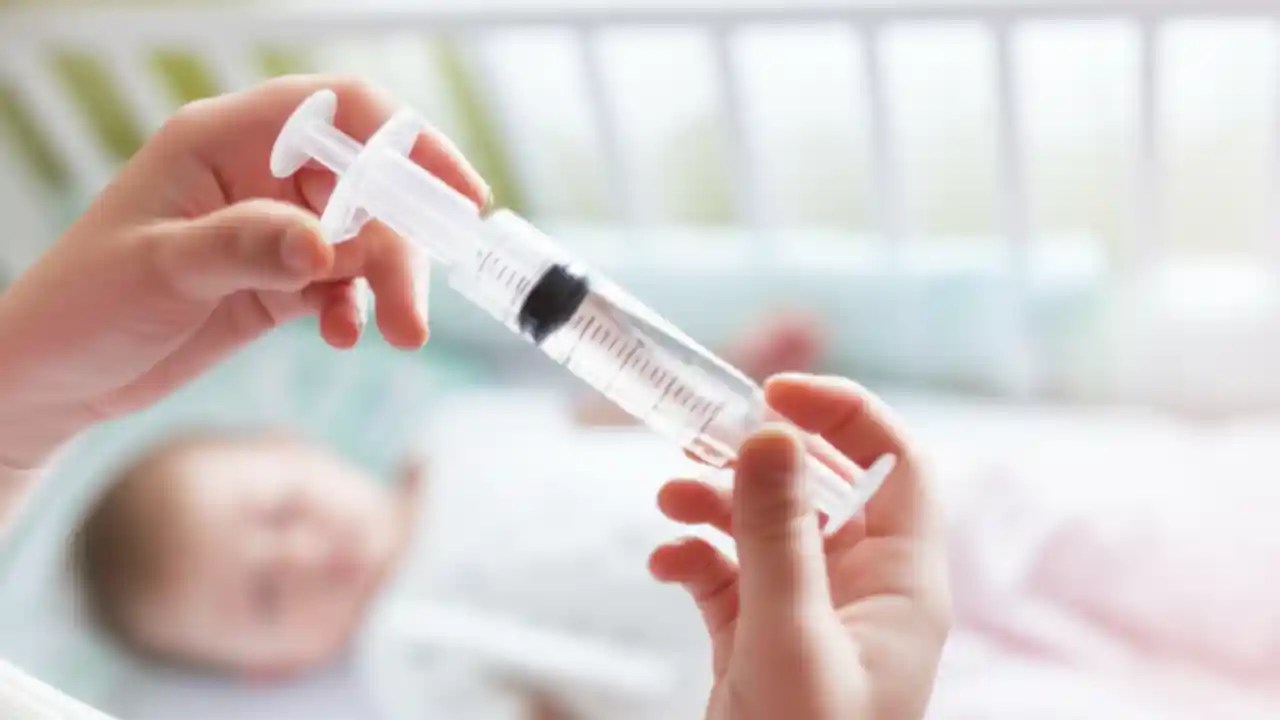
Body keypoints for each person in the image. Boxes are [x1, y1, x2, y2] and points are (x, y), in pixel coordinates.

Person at [0, 75, 951, 719]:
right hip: (769, 669)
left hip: (856, 543)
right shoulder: (402, 658)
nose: (300, 551)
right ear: (267, 669)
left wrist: (736, 360)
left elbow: (612, 400)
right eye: (264, 592)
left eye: (278, 512)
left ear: (300, 451)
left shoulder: (454, 433)